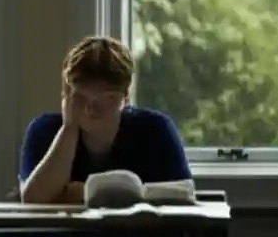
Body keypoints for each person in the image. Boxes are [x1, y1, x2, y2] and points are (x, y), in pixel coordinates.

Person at [18, 35, 191, 204]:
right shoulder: (44, 130)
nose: (92, 109)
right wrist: (69, 128)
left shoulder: (156, 130)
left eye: (108, 98)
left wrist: (70, 193)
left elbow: (183, 193)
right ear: (66, 96)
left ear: (126, 96)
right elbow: (34, 198)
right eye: (81, 97)